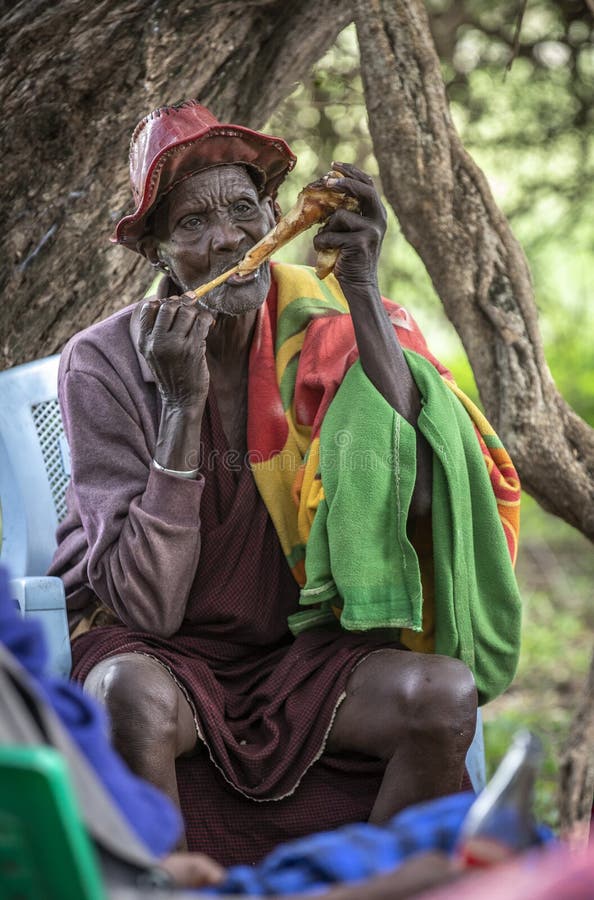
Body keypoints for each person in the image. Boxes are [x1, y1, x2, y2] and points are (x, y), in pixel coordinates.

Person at [48, 100, 522, 864]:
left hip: (310, 649)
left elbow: (421, 491)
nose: (229, 237)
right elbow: (151, 605)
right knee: (123, 696)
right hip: (171, 654)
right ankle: (171, 885)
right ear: (158, 252)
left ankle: (359, 881)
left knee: (441, 697)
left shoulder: (332, 318)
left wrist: (363, 287)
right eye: (192, 224)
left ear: (276, 214)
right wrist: (180, 405)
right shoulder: (104, 362)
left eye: (244, 209)